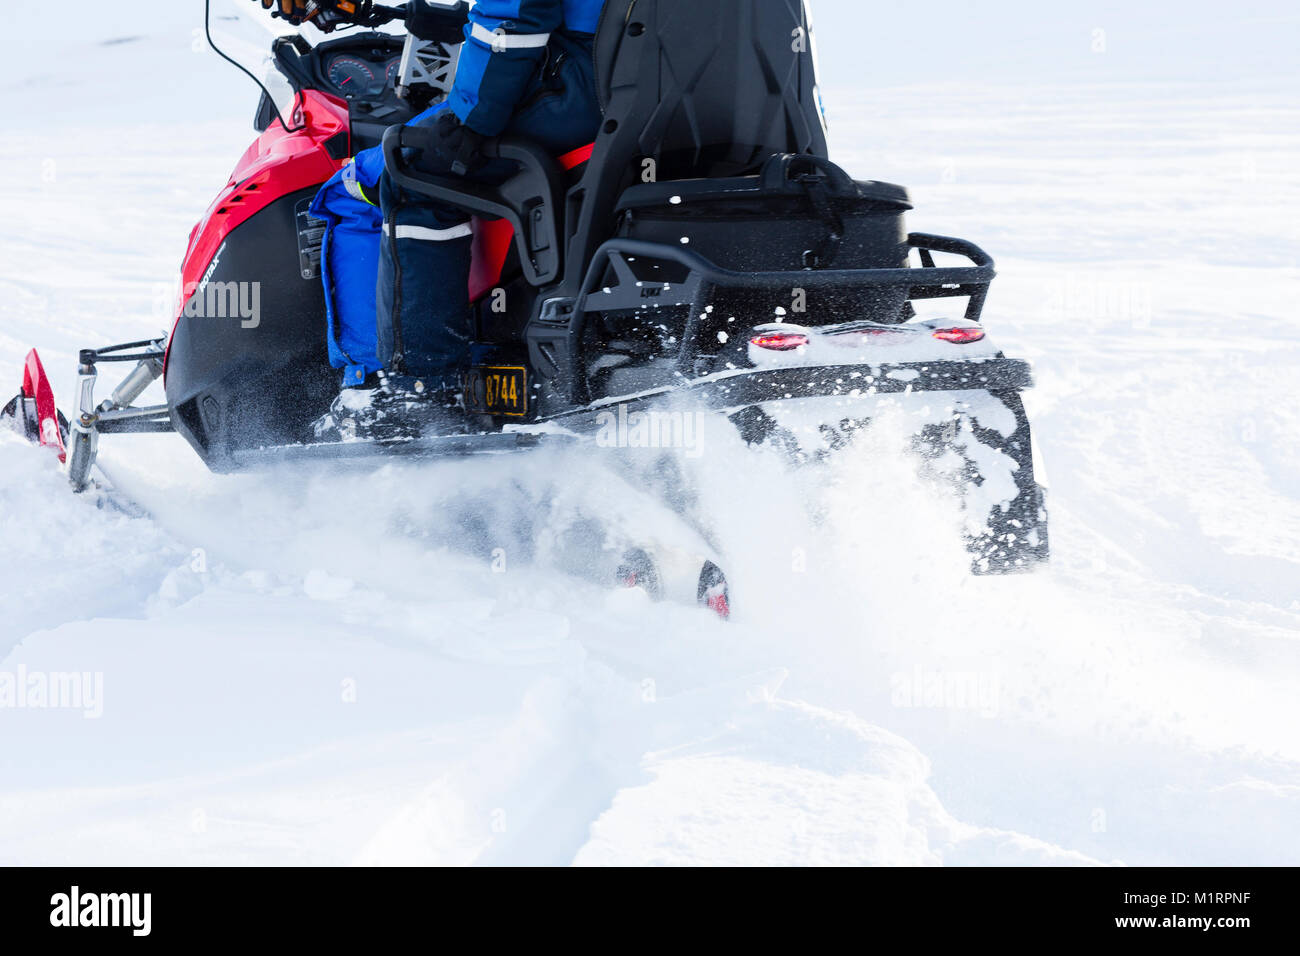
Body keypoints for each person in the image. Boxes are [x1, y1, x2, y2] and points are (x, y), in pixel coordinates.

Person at [265, 0, 607, 437]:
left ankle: (404, 392)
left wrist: (470, 118)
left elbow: (514, 16)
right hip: (659, 88)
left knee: (389, 175)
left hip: (574, 83)